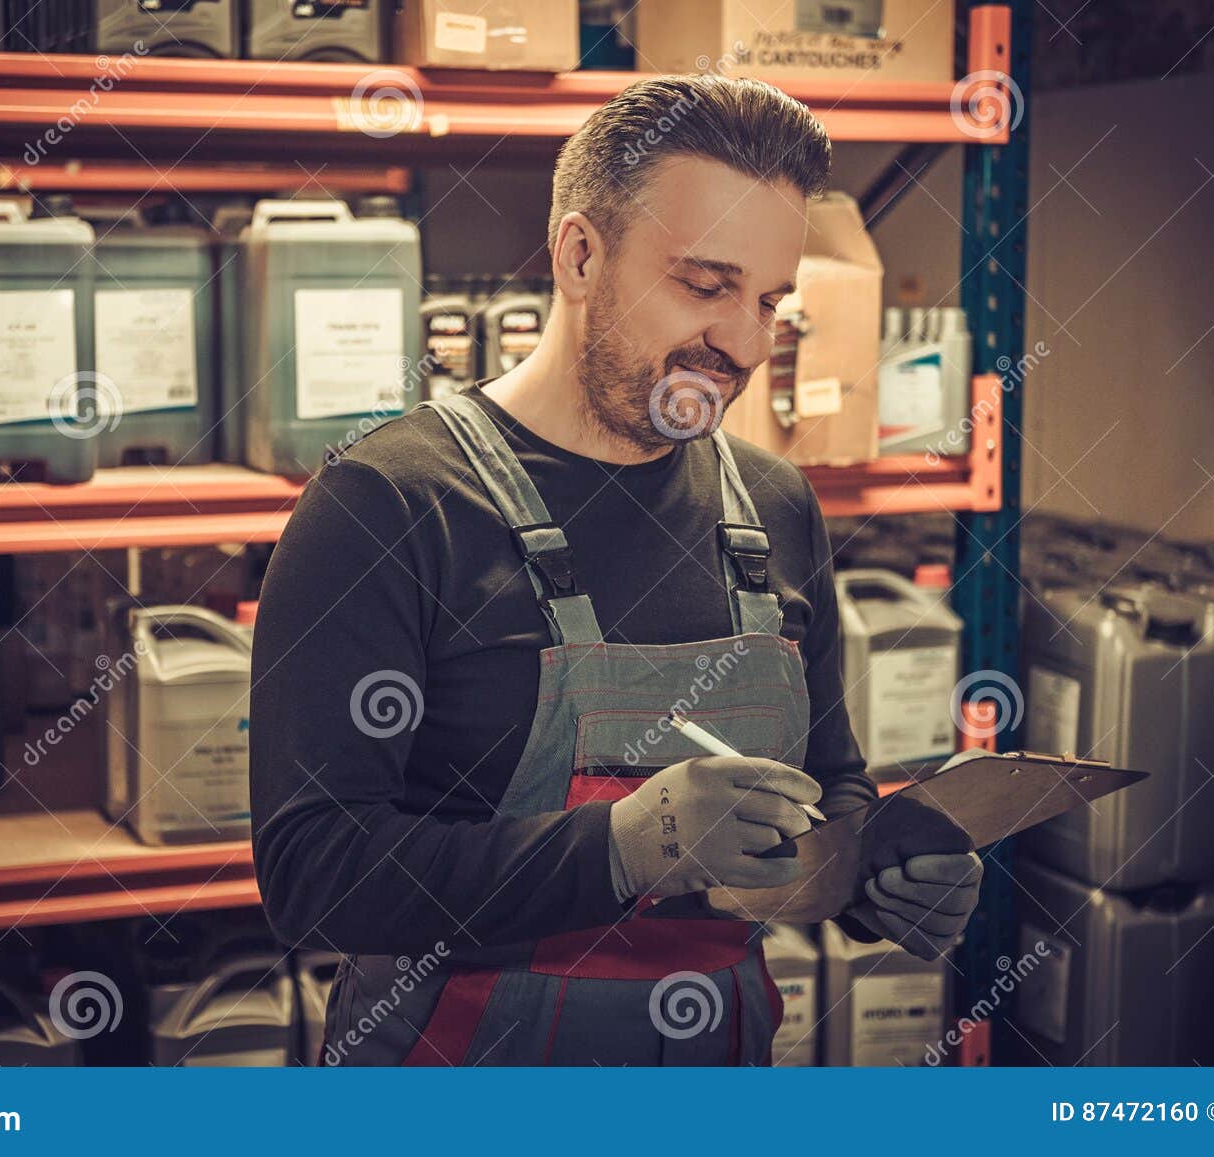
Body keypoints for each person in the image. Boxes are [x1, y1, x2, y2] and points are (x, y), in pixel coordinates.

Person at [250, 73, 983, 1066]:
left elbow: (831, 783)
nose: (744, 343)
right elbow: (312, 873)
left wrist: (870, 874)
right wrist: (622, 845)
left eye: (771, 300)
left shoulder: (773, 505)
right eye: (706, 285)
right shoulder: (388, 504)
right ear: (581, 255)